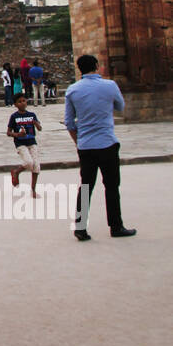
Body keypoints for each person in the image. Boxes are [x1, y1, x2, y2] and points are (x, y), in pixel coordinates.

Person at [64, 54, 135, 242]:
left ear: (79, 68)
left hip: (86, 145)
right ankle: (116, 226)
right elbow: (120, 106)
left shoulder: (72, 90)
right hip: (107, 143)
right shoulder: (109, 86)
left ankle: (80, 229)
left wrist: (79, 142)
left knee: (86, 186)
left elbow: (70, 123)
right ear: (96, 66)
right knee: (111, 186)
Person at [7, 92, 42, 197]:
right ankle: (16, 172)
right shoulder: (14, 117)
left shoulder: (32, 115)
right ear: (15, 104)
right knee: (28, 162)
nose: (22, 103)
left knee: (36, 165)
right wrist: (18, 134)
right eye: (19, 102)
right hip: (20, 143)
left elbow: (40, 128)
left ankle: (33, 189)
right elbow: (8, 132)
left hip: (32, 142)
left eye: (24, 101)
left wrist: (36, 124)